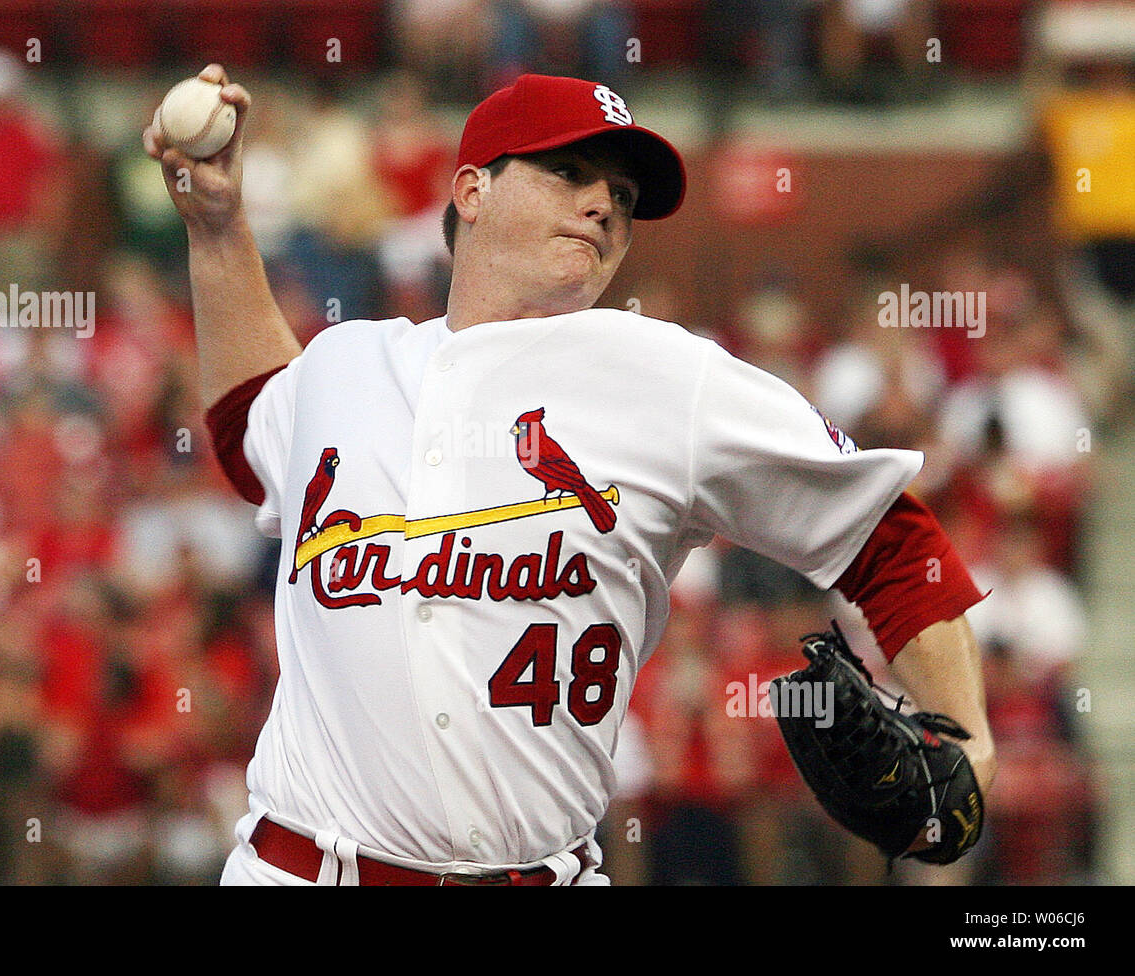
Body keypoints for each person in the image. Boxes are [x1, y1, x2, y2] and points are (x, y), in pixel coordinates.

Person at [144, 66, 997, 886]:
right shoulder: (347, 362)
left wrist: (972, 742)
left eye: (622, 198)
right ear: (471, 190)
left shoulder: (668, 375)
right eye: (570, 173)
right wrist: (218, 228)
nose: (602, 204)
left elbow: (886, 536)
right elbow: (248, 423)